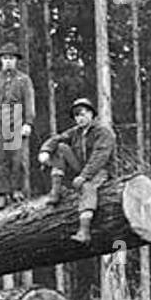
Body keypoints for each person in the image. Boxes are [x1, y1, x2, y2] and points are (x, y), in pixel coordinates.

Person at [38, 97, 116, 243]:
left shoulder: (103, 132)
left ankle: (84, 231)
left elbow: (100, 157)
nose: (81, 118)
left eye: (84, 113)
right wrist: (45, 151)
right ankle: (55, 192)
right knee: (61, 147)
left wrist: (84, 176)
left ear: (92, 114)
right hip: (82, 169)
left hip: (100, 170)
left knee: (88, 188)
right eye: (77, 115)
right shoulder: (76, 132)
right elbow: (57, 139)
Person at [0, 40, 36, 208]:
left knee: (17, 159)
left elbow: (29, 101)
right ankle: (2, 195)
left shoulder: (23, 80)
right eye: (5, 58)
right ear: (1, 60)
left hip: (17, 119)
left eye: (11, 58)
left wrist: (28, 122)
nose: (8, 61)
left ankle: (17, 191)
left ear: (16, 60)